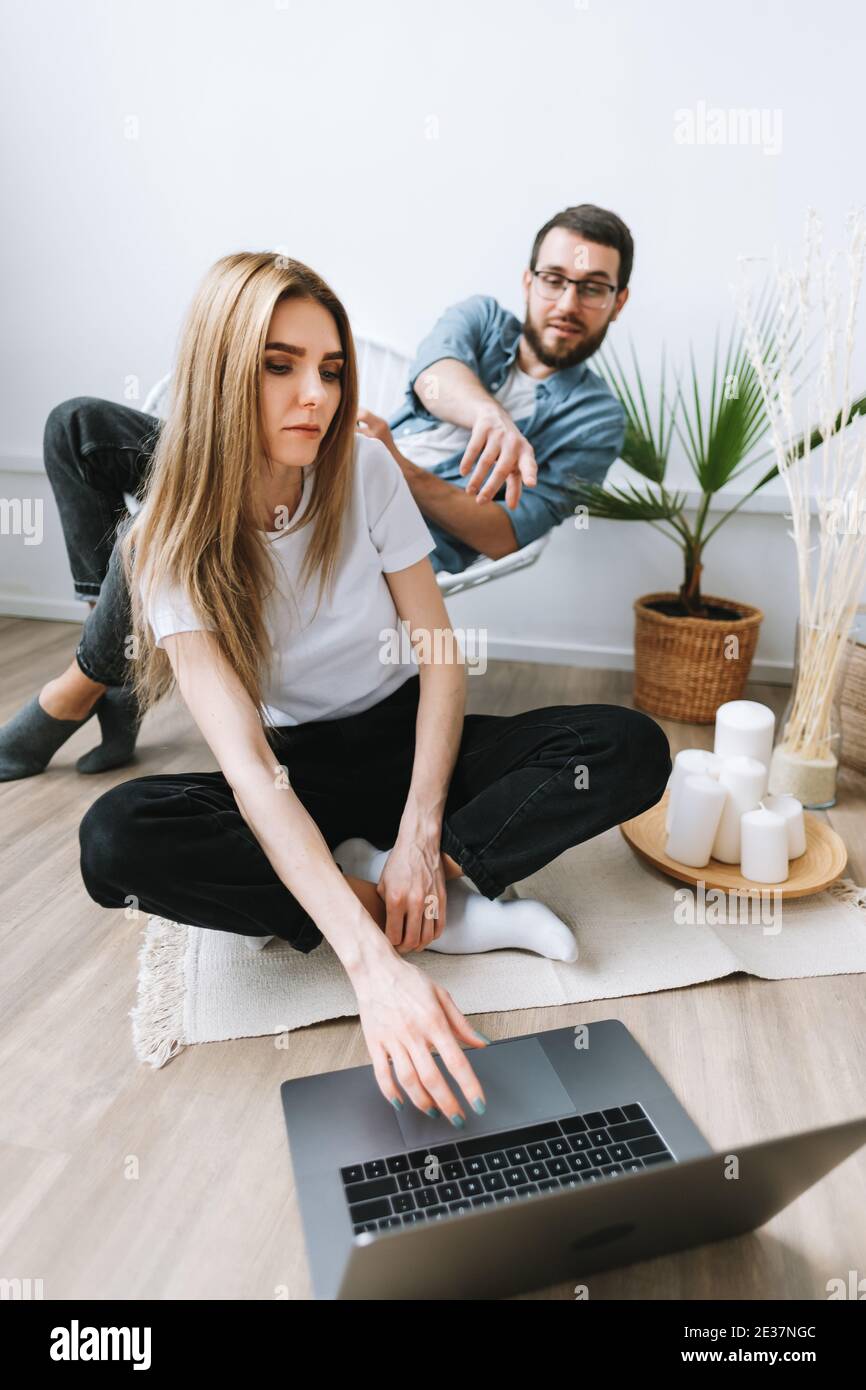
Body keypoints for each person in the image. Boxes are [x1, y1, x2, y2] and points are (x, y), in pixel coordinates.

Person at [76, 252, 671, 1122]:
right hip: (291, 773)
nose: (314, 395)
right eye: (279, 366)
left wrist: (426, 831)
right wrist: (370, 964)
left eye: (330, 368)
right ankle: (418, 910)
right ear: (219, 370)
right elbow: (245, 765)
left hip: (405, 735)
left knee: (631, 746)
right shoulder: (168, 538)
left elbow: (439, 657)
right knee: (114, 842)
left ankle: (419, 874)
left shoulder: (368, 470)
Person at [0, 204, 631, 781]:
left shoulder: (596, 419)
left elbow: (502, 535)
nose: (568, 300)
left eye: (592, 286)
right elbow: (435, 379)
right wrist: (489, 418)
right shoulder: (482, 323)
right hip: (290, 455)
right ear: (528, 281)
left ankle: (85, 683)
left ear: (618, 300)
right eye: (554, 278)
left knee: (157, 531)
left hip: (362, 519)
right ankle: (118, 662)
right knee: (78, 428)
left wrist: (395, 469)